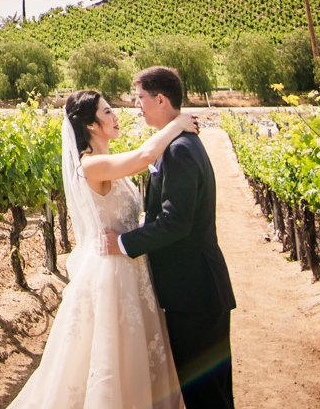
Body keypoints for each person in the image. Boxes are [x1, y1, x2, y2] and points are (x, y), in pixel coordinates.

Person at [7, 89, 193, 409]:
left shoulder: (106, 163)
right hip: (113, 274)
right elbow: (144, 157)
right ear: (91, 126)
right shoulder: (90, 166)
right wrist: (177, 124)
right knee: (112, 357)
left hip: (131, 265)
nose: (116, 116)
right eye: (107, 112)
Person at [104, 66, 235, 409]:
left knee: (206, 394)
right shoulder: (180, 142)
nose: (137, 106)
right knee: (212, 392)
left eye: (141, 99)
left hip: (195, 294)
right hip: (196, 291)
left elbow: (176, 222)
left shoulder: (178, 149)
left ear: (160, 99)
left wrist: (122, 243)